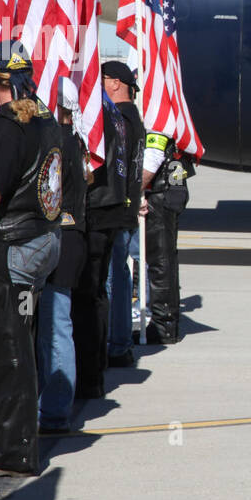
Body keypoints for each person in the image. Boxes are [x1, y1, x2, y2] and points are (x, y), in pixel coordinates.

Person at [0, 42, 63, 476]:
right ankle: (15, 439)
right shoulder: (46, 119)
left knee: (7, 350)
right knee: (21, 343)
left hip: (13, 247)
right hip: (41, 242)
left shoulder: (8, 127)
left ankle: (13, 449)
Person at [36, 79, 90, 434]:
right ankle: (53, 404)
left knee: (56, 327)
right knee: (55, 326)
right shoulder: (77, 142)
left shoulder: (59, 142)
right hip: (73, 236)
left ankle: (55, 410)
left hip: (63, 237)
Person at [73, 87, 129, 399]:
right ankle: (96, 369)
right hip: (111, 208)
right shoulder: (110, 109)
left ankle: (89, 375)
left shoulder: (97, 107)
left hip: (96, 211)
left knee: (86, 298)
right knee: (96, 295)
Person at [99, 62, 144, 369]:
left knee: (112, 279)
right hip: (126, 206)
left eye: (102, 80)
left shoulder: (120, 120)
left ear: (115, 84)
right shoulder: (133, 118)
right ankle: (120, 342)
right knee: (121, 275)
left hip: (116, 208)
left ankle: (115, 344)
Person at [140, 130, 192, 345]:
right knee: (166, 257)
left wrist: (135, 191)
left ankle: (164, 324)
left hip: (162, 189)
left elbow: (154, 154)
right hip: (171, 185)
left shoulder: (157, 119)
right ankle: (166, 321)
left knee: (160, 259)